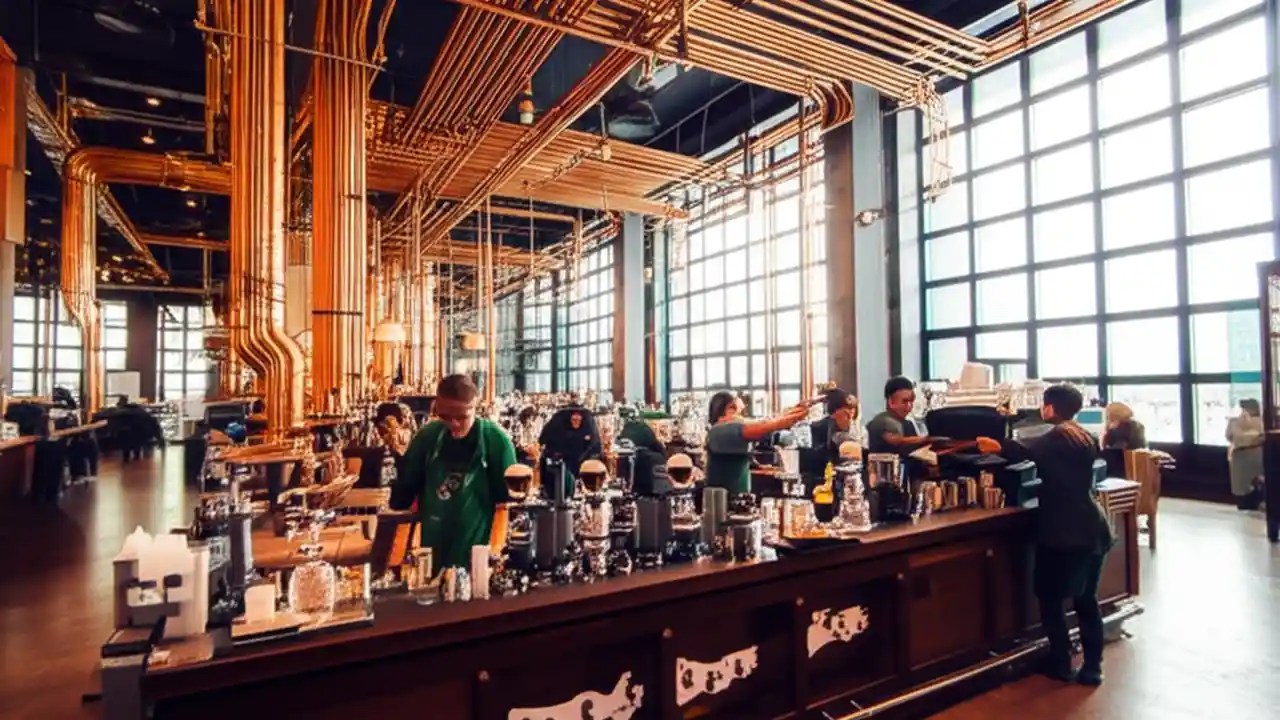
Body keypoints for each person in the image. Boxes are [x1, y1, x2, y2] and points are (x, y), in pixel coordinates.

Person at [976, 384, 1113, 686]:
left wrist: (992, 444)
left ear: (1049, 408)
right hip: (1094, 525)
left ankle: (1061, 663)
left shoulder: (1056, 437)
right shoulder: (1085, 436)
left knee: (1050, 598)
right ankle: (1092, 667)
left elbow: (1020, 451)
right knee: (1087, 600)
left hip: (1064, 530)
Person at [390, 375, 516, 569]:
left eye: (462, 417)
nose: (454, 424)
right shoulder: (427, 437)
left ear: (475, 406)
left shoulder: (496, 441)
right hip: (432, 543)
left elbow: (505, 505)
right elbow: (405, 493)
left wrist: (494, 551)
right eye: (445, 417)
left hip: (478, 548)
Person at [704, 391, 810, 494]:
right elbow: (763, 426)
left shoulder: (722, 429)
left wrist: (793, 411)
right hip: (722, 501)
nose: (742, 417)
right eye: (739, 412)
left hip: (736, 498)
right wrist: (791, 417)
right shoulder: (721, 430)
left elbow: (765, 423)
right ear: (730, 408)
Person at [865, 376, 932, 457]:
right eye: (904, 401)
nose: (909, 406)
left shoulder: (908, 424)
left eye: (911, 401)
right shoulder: (881, 421)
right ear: (891, 402)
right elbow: (896, 440)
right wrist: (925, 439)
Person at [1227, 399, 1265, 511]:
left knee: (1252, 485)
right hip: (1246, 456)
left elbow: (1231, 436)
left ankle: (1251, 503)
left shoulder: (1236, 422)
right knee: (1246, 486)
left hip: (1250, 455)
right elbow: (1231, 436)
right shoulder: (1236, 421)